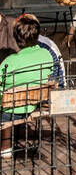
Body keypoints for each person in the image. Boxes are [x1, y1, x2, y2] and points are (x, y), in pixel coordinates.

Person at [0, 14, 55, 156]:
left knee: (6, 102)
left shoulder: (9, 62)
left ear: (16, 38)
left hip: (8, 113)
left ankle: (5, 147)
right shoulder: (46, 55)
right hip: (35, 105)